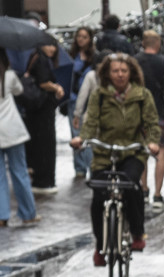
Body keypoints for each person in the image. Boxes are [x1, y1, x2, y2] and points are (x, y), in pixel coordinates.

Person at [71, 53, 159, 260]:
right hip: (105, 153)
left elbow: (151, 123)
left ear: (131, 73)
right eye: (115, 71)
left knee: (131, 186)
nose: (120, 75)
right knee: (98, 195)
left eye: (124, 71)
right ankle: (100, 245)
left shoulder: (142, 95)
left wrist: (152, 141)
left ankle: (137, 232)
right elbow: (91, 121)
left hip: (132, 152)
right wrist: (82, 138)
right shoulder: (100, 95)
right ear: (107, 74)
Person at [0, 50, 38, 228]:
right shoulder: (9, 76)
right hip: (11, 129)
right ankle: (28, 214)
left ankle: (1, 216)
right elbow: (19, 90)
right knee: (19, 171)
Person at [135, 30, 164, 206]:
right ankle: (157, 194)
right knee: (160, 151)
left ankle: (144, 189)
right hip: (159, 113)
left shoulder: (134, 62)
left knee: (142, 152)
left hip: (138, 113)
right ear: (158, 44)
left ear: (143, 43)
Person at [21, 41, 61, 194]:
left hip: (37, 109)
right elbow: (43, 83)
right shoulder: (42, 59)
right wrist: (57, 87)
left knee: (40, 143)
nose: (52, 49)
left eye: (54, 46)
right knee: (45, 144)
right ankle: (44, 181)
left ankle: (40, 178)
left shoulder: (35, 57)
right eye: (49, 45)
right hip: (42, 109)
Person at [64, 27, 97, 177]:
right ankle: (79, 168)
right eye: (79, 36)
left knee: (89, 134)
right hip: (73, 99)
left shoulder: (94, 57)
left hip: (90, 101)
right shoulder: (71, 56)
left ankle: (91, 166)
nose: (81, 39)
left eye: (84, 36)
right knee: (76, 133)